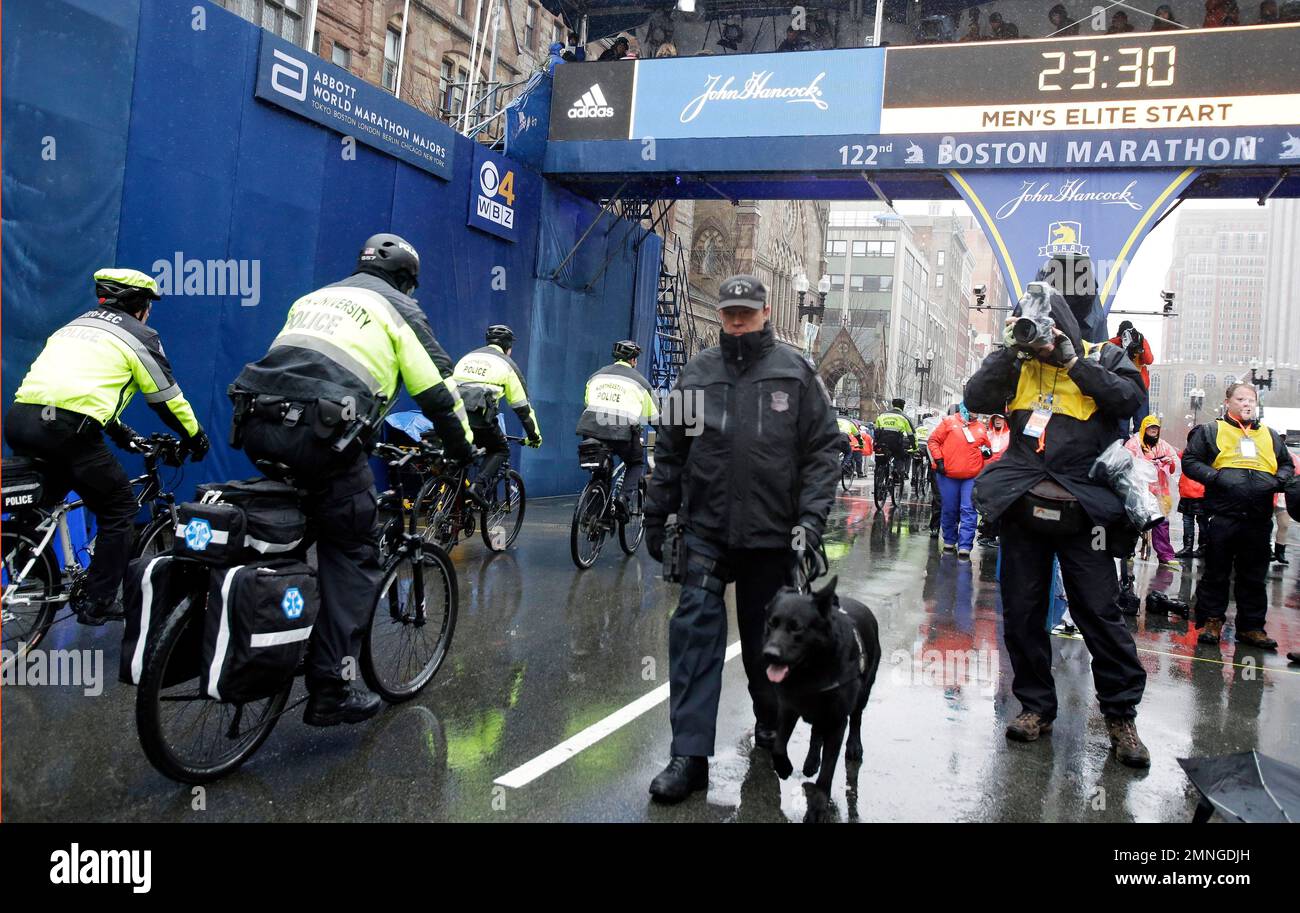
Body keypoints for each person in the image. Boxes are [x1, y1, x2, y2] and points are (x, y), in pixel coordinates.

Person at [231, 234, 474, 725]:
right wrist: (463, 448)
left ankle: (275, 618)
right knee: (354, 548)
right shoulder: (400, 309)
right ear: (407, 281)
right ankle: (330, 688)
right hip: (322, 436)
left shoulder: (315, 297)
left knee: (289, 528)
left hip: (257, 423)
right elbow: (438, 393)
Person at [643, 274, 839, 803]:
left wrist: (811, 521)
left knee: (765, 644)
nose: (734, 320)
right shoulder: (695, 374)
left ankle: (771, 724)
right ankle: (689, 756)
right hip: (706, 530)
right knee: (693, 637)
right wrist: (656, 514)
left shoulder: (796, 373)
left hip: (773, 537)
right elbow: (670, 450)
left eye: (745, 312)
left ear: (766, 311)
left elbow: (824, 451)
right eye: (728, 311)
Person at [965, 284, 1151, 768]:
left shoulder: (1104, 355)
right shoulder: (1020, 363)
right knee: (1023, 610)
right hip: (1025, 501)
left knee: (1098, 611)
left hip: (1084, 504)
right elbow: (975, 397)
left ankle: (1120, 716)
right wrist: (1010, 352)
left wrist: (1072, 362)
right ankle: (1035, 707)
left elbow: (1129, 401)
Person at [5, 268, 209, 624]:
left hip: (21, 420)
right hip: (68, 429)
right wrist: (195, 436)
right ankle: (97, 603)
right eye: (148, 304)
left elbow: (76, 391)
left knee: (48, 498)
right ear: (139, 304)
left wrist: (119, 432)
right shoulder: (140, 335)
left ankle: (29, 565)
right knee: (119, 508)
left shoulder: (74, 327)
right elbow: (166, 398)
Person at [1183, 382, 1293, 649]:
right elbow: (1190, 461)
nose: (1247, 404)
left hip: (1257, 516)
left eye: (1251, 400)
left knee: (1254, 574)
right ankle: (1211, 621)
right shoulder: (1211, 431)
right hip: (1222, 514)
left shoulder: (1269, 435)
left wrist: (1277, 481)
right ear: (1228, 402)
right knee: (1216, 571)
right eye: (1241, 399)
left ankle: (1251, 627)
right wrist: (1217, 477)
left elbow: (1287, 464)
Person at [452, 325, 543, 500]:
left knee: (461, 454)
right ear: (508, 346)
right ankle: (477, 486)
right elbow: (522, 407)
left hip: (453, 416)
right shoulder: (507, 364)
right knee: (500, 450)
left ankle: (449, 493)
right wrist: (534, 436)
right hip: (478, 418)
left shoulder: (467, 357)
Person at [575, 340, 657, 517]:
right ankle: (623, 499)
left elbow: (588, 402)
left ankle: (594, 516)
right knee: (636, 463)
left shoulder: (595, 376)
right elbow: (654, 416)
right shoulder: (641, 383)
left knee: (600, 469)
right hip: (622, 433)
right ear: (634, 360)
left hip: (591, 429)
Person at [928, 403, 990, 559]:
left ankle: (965, 545)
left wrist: (986, 453)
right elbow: (933, 441)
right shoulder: (949, 422)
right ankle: (949, 540)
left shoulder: (981, 428)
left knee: (968, 509)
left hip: (971, 476)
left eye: (978, 410)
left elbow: (986, 448)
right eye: (973, 409)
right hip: (948, 475)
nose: (975, 413)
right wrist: (939, 460)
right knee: (949, 508)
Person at [1124, 416, 1180, 567]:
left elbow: (1173, 468)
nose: (1154, 431)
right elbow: (1126, 465)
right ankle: (1128, 551)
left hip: (1160, 491)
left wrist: (1169, 463)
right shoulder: (1133, 444)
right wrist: (1146, 464)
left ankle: (1165, 555)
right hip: (1140, 490)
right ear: (1144, 428)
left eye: (1156, 428)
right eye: (1150, 428)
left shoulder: (1164, 446)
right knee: (1133, 522)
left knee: (1161, 523)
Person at [1109, 320, 1153, 434]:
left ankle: (1123, 446)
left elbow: (1148, 360)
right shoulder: (1138, 340)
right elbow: (1149, 360)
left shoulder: (1113, 343)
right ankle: (1138, 448)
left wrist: (1136, 343)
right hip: (1139, 386)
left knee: (1122, 425)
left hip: (1122, 386)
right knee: (1140, 424)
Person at [976, 414, 1010, 547]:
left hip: (1004, 476)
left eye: (1000, 418)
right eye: (995, 418)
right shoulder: (987, 434)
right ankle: (988, 534)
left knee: (1002, 506)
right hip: (988, 475)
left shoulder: (1010, 436)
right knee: (988, 506)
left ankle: (999, 536)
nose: (998, 420)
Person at [1175, 448, 1209, 559]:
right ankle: (1203, 547)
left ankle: (1188, 548)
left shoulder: (1188, 452)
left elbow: (1179, 455)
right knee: (1202, 522)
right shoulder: (1208, 452)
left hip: (1188, 491)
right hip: (1200, 492)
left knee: (1189, 521)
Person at [873, 398, 915, 481]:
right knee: (900, 456)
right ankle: (896, 471)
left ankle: (878, 477)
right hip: (895, 443)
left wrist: (876, 442)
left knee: (880, 458)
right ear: (903, 406)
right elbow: (911, 434)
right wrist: (914, 447)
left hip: (882, 442)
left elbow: (876, 429)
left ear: (893, 405)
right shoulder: (904, 417)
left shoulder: (882, 415)